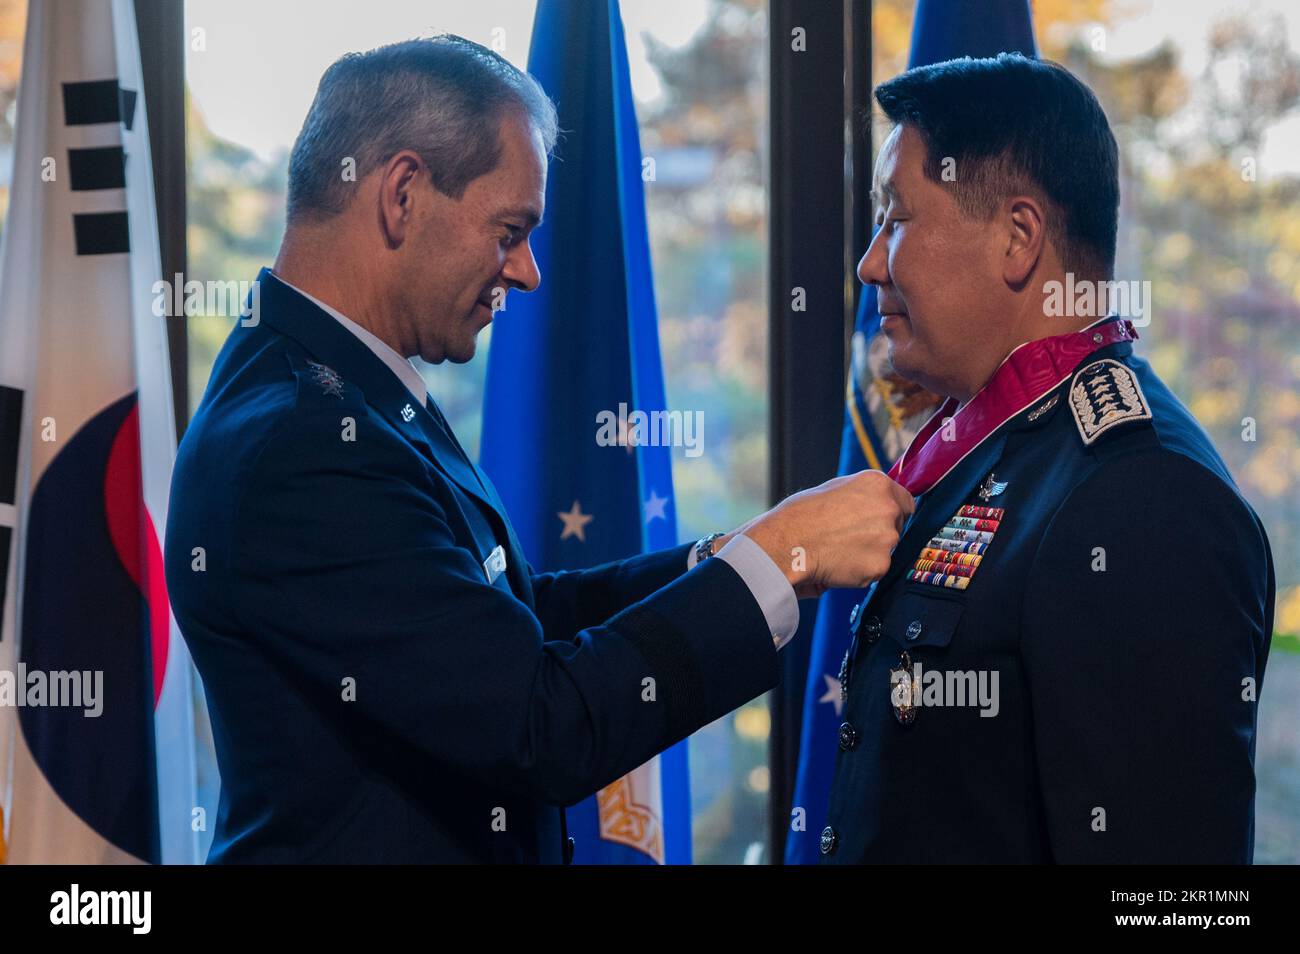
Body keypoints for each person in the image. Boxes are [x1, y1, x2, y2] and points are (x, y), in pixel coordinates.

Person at [164, 35, 914, 863]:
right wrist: (783, 558)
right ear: (403, 193)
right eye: (509, 231)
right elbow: (538, 722)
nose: (527, 274)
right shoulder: (303, 443)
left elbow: (499, 623)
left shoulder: (339, 383)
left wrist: (726, 556)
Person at [818, 53, 1274, 864]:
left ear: (1018, 239)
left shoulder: (1141, 497)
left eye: (898, 218)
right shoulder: (996, 439)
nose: (870, 262)